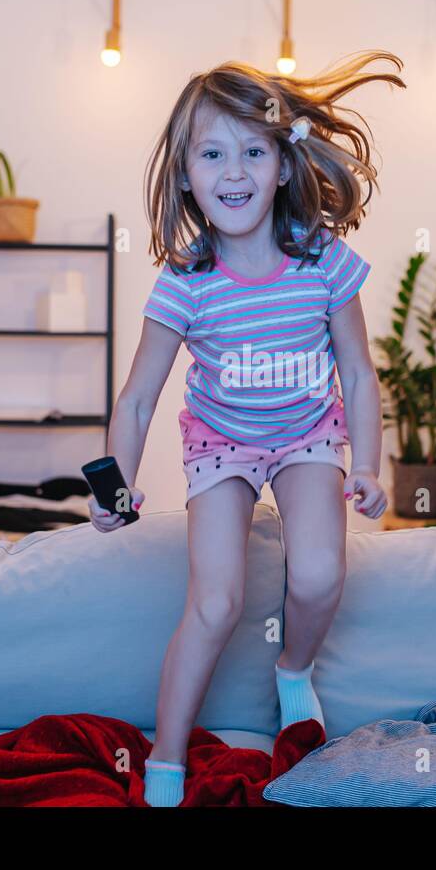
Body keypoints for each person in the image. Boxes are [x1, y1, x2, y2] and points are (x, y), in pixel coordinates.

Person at [89, 50, 405, 806]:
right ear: (187, 173)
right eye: (212, 152)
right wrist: (114, 484)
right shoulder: (186, 280)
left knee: (323, 571)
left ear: (284, 162)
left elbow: (359, 372)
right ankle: (166, 755)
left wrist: (370, 466)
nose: (234, 170)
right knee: (217, 600)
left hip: (307, 436)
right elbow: (136, 399)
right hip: (219, 442)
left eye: (253, 150)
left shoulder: (324, 261)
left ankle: (293, 669)